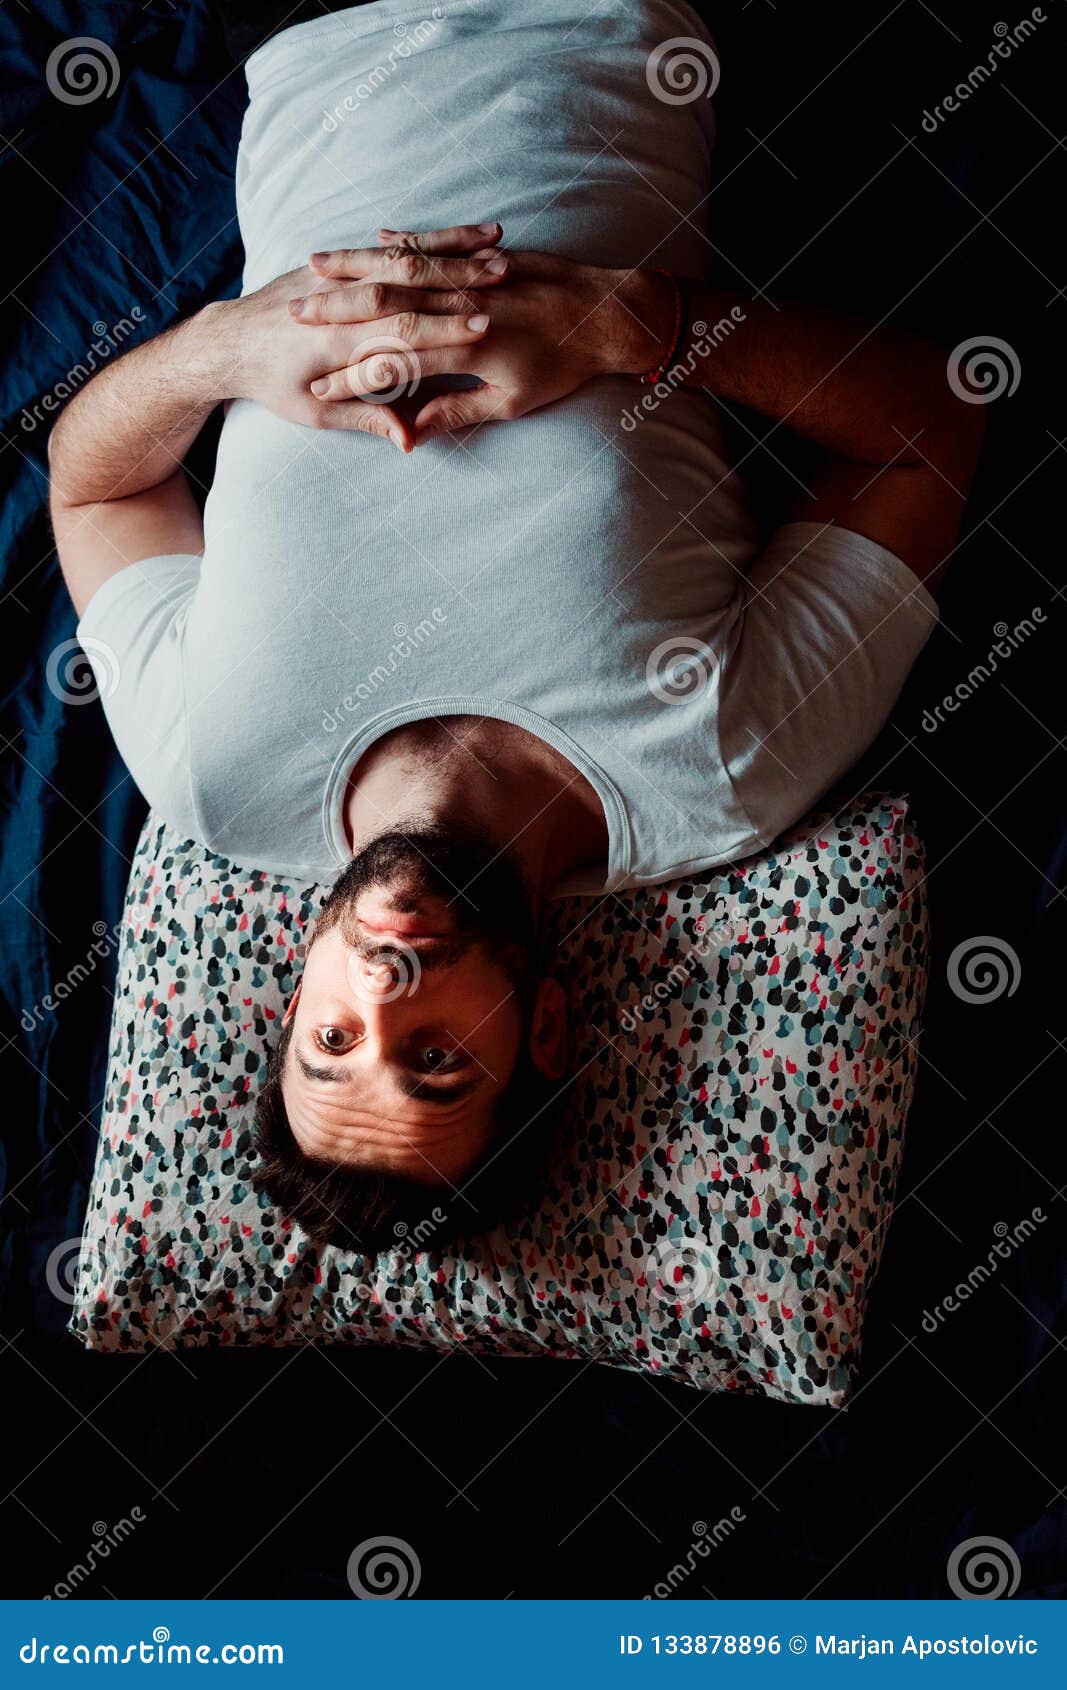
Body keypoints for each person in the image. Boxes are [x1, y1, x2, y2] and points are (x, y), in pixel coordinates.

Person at [47, 0, 984, 1250]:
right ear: (542, 1028)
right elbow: (934, 428)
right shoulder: (721, 767)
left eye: (330, 1044)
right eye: (434, 1061)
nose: (382, 995)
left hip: (311, 31)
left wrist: (219, 351)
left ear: (287, 1004)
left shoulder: (209, 769)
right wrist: (641, 328)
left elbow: (92, 485)